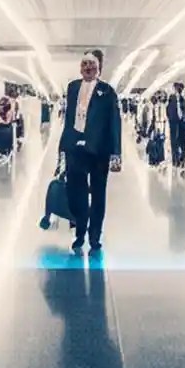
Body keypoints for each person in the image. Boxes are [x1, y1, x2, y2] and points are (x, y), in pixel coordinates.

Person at [62, 50, 122, 256]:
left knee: (98, 194)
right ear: (80, 67)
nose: (88, 68)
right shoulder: (72, 88)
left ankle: (95, 234)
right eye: (84, 63)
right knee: (75, 193)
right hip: (74, 149)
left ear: (99, 68)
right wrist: (63, 146)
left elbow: (115, 122)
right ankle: (79, 229)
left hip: (99, 151)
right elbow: (68, 118)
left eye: (92, 64)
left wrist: (116, 153)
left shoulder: (107, 92)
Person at [167, 82, 185, 174]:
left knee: (183, 143)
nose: (179, 90)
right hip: (174, 124)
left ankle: (183, 160)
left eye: (180, 88)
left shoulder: (183, 100)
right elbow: (169, 111)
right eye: (177, 88)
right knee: (174, 143)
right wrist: (172, 119)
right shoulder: (171, 99)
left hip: (182, 124)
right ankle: (175, 161)